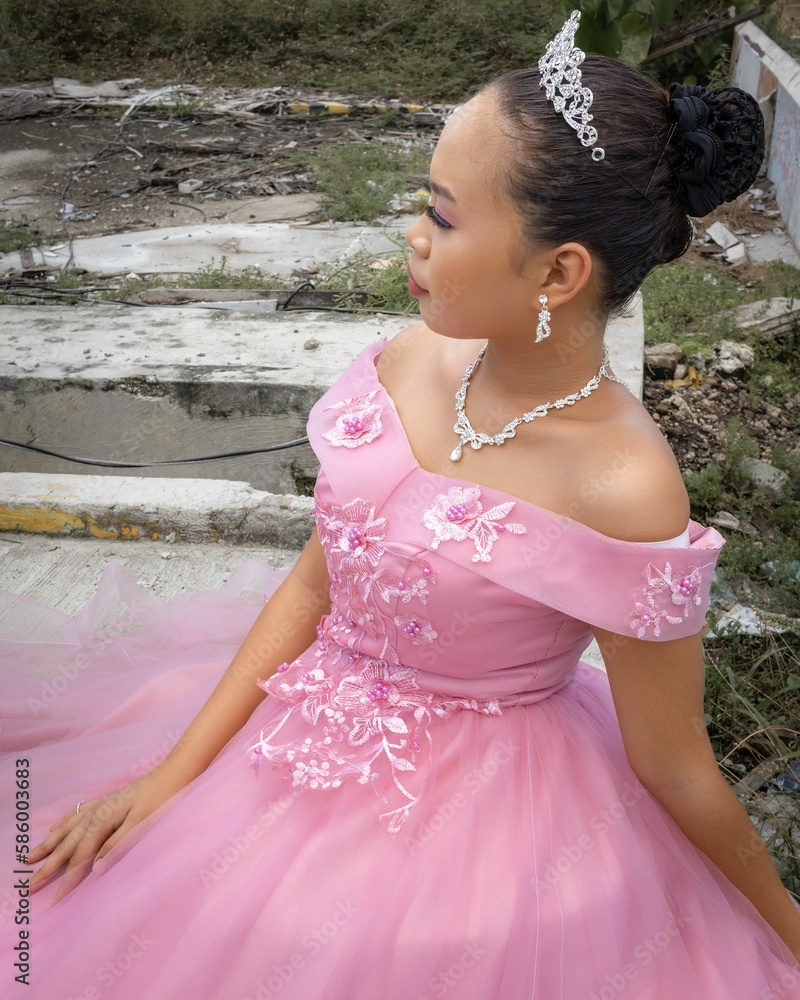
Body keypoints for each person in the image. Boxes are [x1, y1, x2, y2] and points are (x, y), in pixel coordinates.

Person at [3, 11, 800, 998]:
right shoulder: (413, 357)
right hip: (287, 737)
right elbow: (311, 586)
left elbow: (674, 765)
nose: (413, 240)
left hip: (484, 825)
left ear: (558, 271)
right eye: (425, 203)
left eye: (446, 216)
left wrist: (788, 934)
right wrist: (169, 779)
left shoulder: (620, 483)